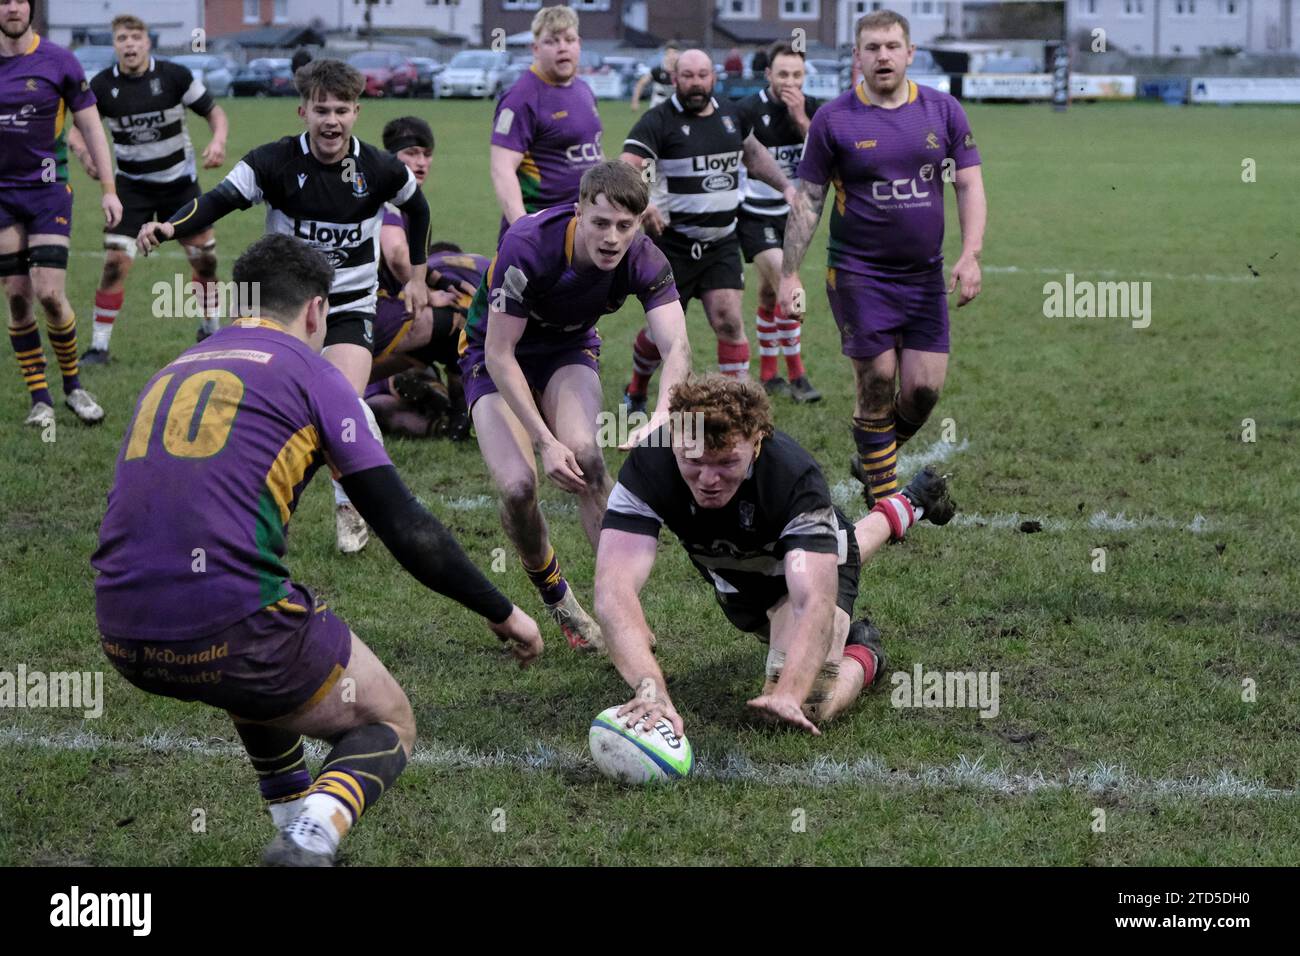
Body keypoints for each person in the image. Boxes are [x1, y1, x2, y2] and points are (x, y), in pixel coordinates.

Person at [92, 234, 542, 867]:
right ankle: (311, 838)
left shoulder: (173, 368)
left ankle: (290, 823)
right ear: (315, 311)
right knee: (388, 720)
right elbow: (405, 526)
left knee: (263, 670)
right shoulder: (314, 374)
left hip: (120, 627)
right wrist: (506, 614)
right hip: (229, 622)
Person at [136, 58, 431, 552]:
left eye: (341, 110)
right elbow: (218, 200)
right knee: (267, 409)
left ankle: (348, 502)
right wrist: (170, 226)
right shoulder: (272, 162)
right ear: (303, 111)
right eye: (321, 110)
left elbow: (417, 208)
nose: (331, 121)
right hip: (281, 310)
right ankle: (248, 507)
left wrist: (418, 277)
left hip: (347, 305)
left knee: (341, 399)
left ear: (356, 111)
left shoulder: (380, 169)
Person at [594, 374, 957, 736]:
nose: (707, 478)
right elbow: (614, 590)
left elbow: (813, 599)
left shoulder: (792, 476)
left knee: (809, 706)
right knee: (785, 620)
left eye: (725, 463)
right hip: (739, 577)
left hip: (802, 566)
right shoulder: (650, 465)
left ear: (757, 443)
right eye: (694, 460)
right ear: (675, 439)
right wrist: (650, 688)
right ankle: (910, 504)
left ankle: (866, 655)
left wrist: (788, 694)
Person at [459, 161, 689, 651]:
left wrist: (665, 414)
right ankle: (559, 599)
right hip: (492, 355)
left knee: (586, 453)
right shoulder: (528, 245)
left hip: (567, 349)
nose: (611, 237)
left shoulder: (644, 257)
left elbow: (678, 348)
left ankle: (621, 609)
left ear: (640, 221)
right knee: (520, 487)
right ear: (578, 211)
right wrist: (543, 439)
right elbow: (500, 354)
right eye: (600, 223)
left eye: (624, 226)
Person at [779, 9, 986, 505]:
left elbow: (969, 182)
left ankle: (875, 453)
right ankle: (888, 501)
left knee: (923, 390)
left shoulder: (943, 111)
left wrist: (971, 253)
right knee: (878, 378)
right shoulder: (834, 119)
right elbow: (809, 200)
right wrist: (789, 273)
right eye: (872, 48)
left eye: (892, 46)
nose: (883, 56)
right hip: (857, 273)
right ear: (857, 57)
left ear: (910, 53)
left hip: (923, 277)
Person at [618, 48, 796, 412]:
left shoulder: (732, 115)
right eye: (688, 76)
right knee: (661, 335)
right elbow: (626, 168)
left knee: (730, 322)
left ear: (713, 77)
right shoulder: (658, 120)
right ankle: (637, 389)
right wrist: (645, 202)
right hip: (673, 246)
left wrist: (787, 186)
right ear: (675, 79)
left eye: (703, 75)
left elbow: (755, 154)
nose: (696, 83)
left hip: (721, 243)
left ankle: (738, 409)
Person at [70, 13, 229, 363]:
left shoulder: (175, 76)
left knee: (206, 263)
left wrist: (218, 141)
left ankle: (210, 329)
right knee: (114, 263)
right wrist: (84, 156)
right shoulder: (100, 86)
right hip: (132, 189)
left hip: (180, 187)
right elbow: (75, 131)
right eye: (122, 39)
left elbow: (214, 112)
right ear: (115, 46)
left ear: (148, 43)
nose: (129, 45)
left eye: (135, 38)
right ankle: (99, 347)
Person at [1, 0, 121, 427]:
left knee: (49, 293)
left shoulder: (60, 62)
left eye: (19, 0)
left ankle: (73, 387)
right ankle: (40, 398)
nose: (11, 8)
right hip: (2, 197)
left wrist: (108, 189)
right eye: (3, 1)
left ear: (30, 8)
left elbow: (91, 128)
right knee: (17, 297)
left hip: (48, 190)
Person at [734, 41, 823, 403]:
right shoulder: (747, 110)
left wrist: (802, 118)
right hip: (754, 213)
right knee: (792, 290)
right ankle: (798, 374)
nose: (790, 82)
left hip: (795, 217)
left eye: (797, 75)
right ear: (768, 74)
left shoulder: (813, 108)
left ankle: (769, 374)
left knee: (771, 292)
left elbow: (827, 154)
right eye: (783, 74)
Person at [489, 5, 603, 241]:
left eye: (569, 39)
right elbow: (502, 169)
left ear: (579, 44)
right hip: (541, 232)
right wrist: (523, 229)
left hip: (583, 229)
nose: (563, 47)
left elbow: (593, 152)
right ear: (536, 48)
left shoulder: (584, 90)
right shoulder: (520, 99)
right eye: (552, 41)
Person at [629, 45, 677, 112]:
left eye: (674, 53)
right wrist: (635, 101)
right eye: (669, 53)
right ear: (665, 56)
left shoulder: (681, 72)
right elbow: (641, 84)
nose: (672, 56)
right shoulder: (657, 71)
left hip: (674, 104)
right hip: (658, 103)